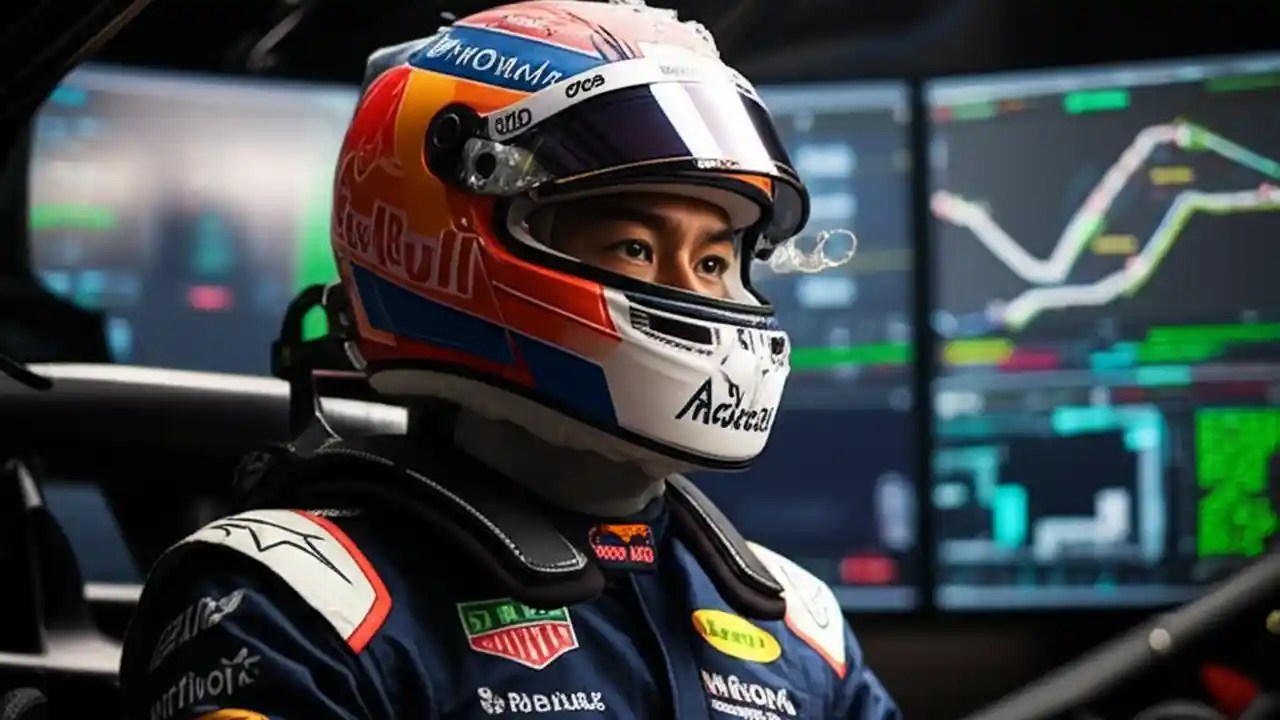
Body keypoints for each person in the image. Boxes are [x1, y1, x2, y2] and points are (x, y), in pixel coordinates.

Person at [117, 1, 901, 718]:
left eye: (711, 261)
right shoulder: (296, 604)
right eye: (635, 247)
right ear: (444, 240)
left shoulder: (803, 627)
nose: (689, 292)